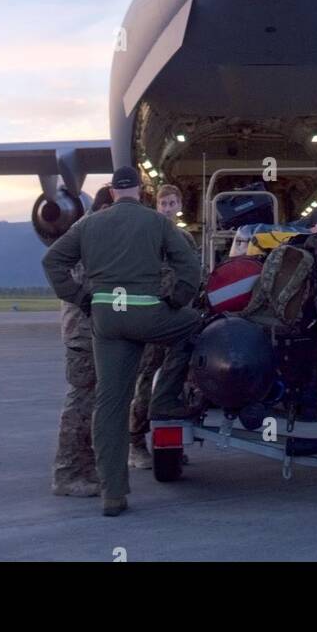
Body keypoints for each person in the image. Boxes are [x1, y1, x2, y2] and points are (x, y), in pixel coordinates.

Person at [42, 165, 201, 516]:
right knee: (196, 328)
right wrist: (177, 298)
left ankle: (113, 494)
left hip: (105, 321)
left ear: (112, 192)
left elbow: (52, 260)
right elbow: (190, 264)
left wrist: (81, 297)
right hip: (148, 314)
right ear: (143, 193)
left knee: (110, 405)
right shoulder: (157, 223)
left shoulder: (88, 224)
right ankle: (164, 400)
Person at [50, 182, 113, 498]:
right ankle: (68, 474)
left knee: (92, 401)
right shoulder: (82, 236)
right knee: (81, 400)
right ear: (104, 210)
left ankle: (85, 471)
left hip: (93, 331)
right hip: (83, 333)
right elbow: (65, 274)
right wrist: (85, 299)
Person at [128, 183, 197, 470]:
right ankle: (135, 442)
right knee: (146, 378)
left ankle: (170, 442)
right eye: (163, 203)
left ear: (180, 205)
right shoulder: (148, 235)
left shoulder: (185, 238)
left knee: (176, 379)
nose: (168, 208)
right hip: (153, 316)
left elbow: (193, 271)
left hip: (178, 316)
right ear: (156, 206)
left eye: (172, 202)